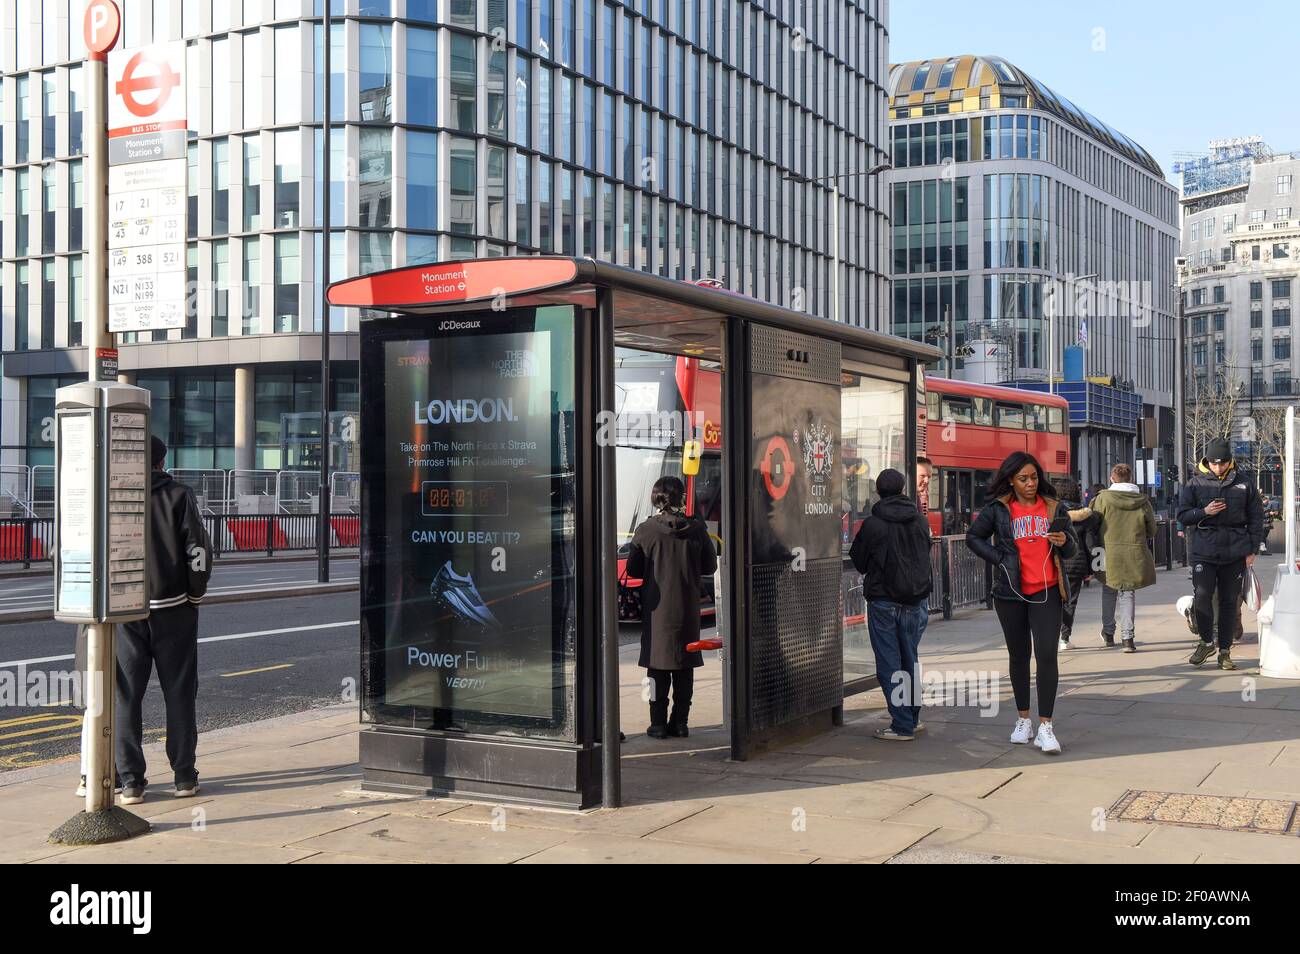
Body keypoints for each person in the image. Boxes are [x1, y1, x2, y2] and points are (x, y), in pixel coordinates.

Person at [114, 436, 213, 804]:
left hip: (126, 610)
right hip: (173, 609)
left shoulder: (115, 494)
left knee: (126, 696)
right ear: (161, 461)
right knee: (180, 693)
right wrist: (196, 592)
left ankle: (131, 781)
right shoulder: (178, 495)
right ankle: (184, 776)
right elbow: (198, 549)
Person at [966, 452, 1077, 755]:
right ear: (1011, 481)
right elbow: (973, 537)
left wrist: (1064, 542)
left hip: (1047, 591)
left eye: (1034, 477)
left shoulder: (1055, 506)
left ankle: (1046, 727)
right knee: (1018, 656)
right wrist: (999, 559)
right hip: (1010, 593)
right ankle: (1023, 720)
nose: (1030, 484)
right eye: (1023, 479)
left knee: (1046, 655)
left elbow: (1073, 548)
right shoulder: (999, 509)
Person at [625, 475, 717, 739]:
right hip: (687, 609)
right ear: (681, 499)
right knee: (684, 667)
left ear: (655, 498)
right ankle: (680, 723)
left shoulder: (645, 529)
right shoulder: (696, 528)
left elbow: (633, 569)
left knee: (657, 668)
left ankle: (657, 724)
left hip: (656, 612)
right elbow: (710, 566)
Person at [850, 469, 932, 741]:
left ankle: (901, 724)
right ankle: (913, 717)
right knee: (910, 659)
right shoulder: (919, 520)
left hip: (883, 600)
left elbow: (859, 560)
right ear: (903, 488)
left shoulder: (873, 524)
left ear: (878, 490)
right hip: (913, 599)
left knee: (889, 662)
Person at [1177, 438, 1264, 670]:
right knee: (1202, 595)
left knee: (1229, 602)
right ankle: (1206, 642)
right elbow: (1183, 515)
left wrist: (1252, 549)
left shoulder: (1244, 484)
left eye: (1223, 463)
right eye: (1214, 464)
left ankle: (1225, 652)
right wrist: (1203, 512)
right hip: (1204, 549)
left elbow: (1256, 518)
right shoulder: (1194, 484)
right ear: (1207, 462)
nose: (1218, 468)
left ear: (1229, 461)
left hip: (1235, 550)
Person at [1089, 463, 1158, 653]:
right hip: (1133, 553)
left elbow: (1092, 526)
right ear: (1131, 479)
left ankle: (1108, 633)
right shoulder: (1143, 501)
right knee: (1127, 594)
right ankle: (1128, 638)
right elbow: (1152, 530)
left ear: (1112, 479)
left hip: (1107, 552)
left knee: (1108, 590)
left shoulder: (1101, 499)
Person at [1052, 477, 1090, 651]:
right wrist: (1089, 568)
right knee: (1070, 601)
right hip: (1076, 562)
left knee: (1052, 601)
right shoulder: (1085, 515)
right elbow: (1089, 542)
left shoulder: (1052, 512)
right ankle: (1064, 639)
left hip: (1054, 562)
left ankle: (1050, 636)